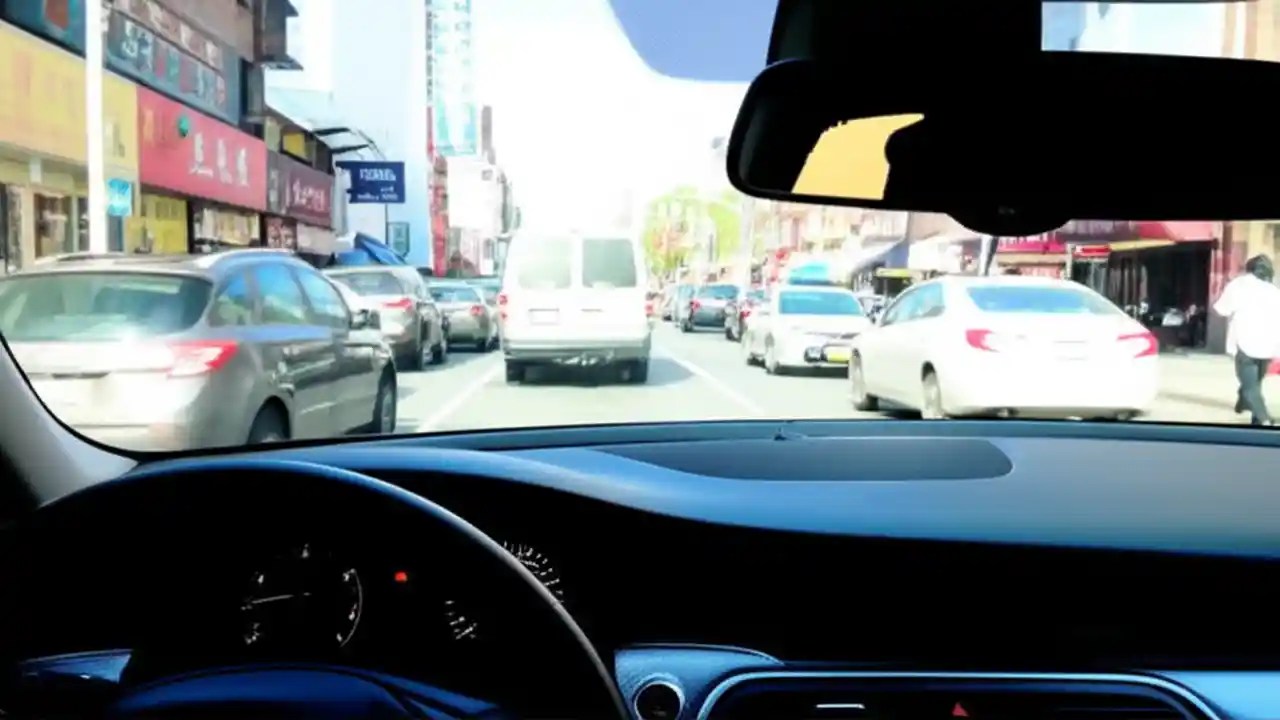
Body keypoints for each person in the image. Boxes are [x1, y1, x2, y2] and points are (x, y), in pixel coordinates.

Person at [1212, 255, 1280, 426]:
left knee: (1250, 385)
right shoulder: (1274, 291)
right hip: (1269, 345)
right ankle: (1252, 413)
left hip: (1245, 343)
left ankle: (1263, 419)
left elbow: (1221, 310)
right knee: (1255, 383)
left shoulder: (1238, 285)